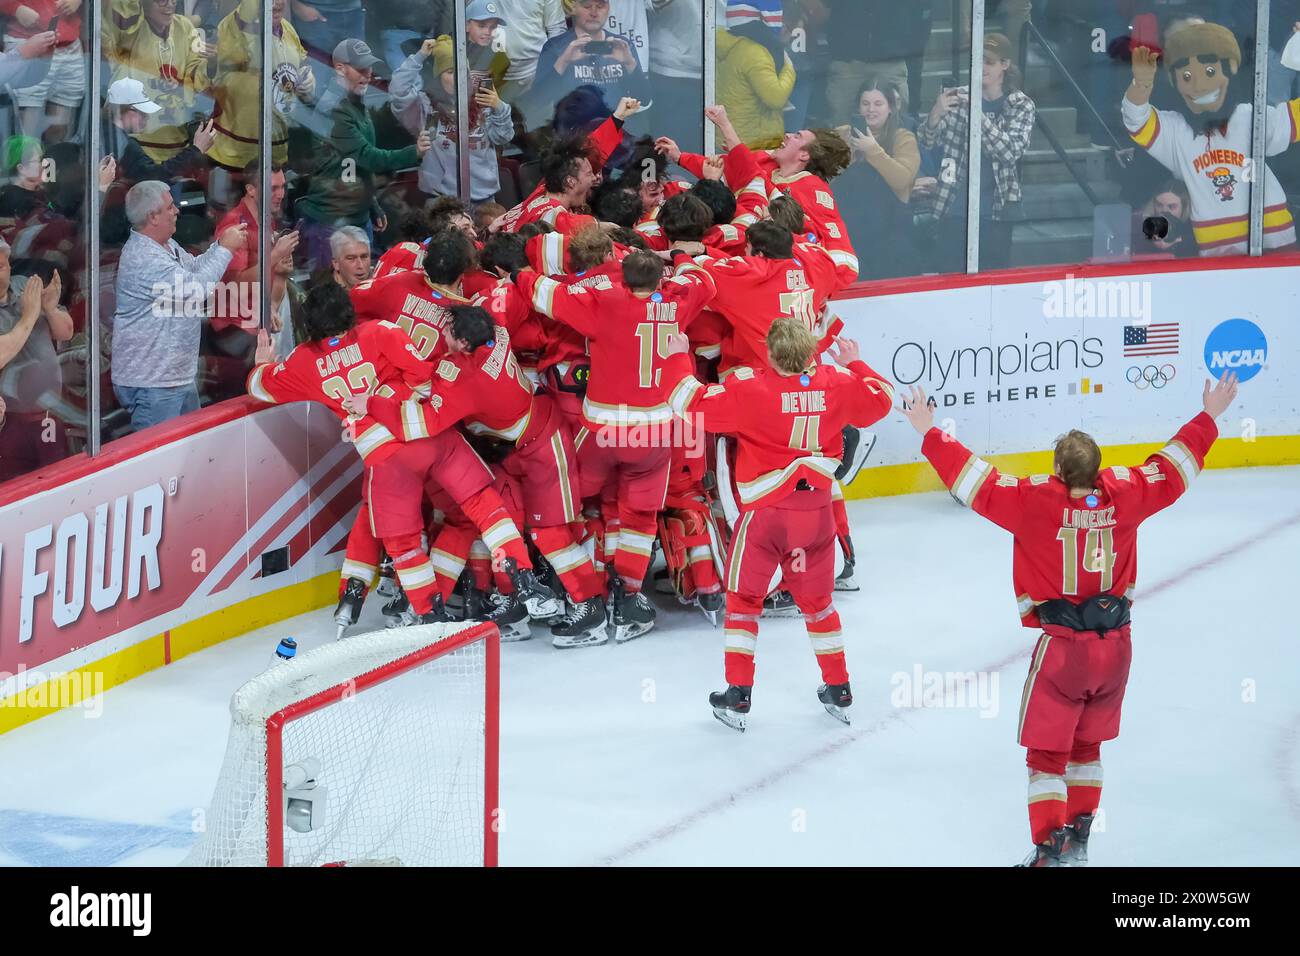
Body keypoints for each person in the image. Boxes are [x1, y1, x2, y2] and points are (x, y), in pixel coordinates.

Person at [899, 371, 1240, 866]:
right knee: (1088, 746)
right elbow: (1173, 469)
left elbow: (974, 480)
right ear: (1098, 469)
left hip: (1063, 650)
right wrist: (1208, 416)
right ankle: (1079, 838)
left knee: (1045, 755)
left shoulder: (1036, 501)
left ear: (1058, 469)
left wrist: (930, 430)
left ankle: (1048, 848)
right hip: (1117, 647)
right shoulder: (1125, 491)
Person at [248, 281, 560, 626]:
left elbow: (261, 387)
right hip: (428, 437)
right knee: (482, 502)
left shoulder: (303, 361)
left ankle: (428, 614)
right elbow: (425, 380)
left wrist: (262, 363)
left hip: (385, 458)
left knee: (403, 543)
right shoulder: (380, 331)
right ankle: (522, 574)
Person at [658, 318, 894, 730]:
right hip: (817, 515)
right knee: (819, 605)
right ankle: (839, 686)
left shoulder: (751, 389)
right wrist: (857, 364)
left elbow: (686, 401)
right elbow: (882, 399)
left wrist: (679, 355)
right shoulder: (836, 383)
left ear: (770, 355)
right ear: (810, 353)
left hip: (766, 517)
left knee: (744, 602)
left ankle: (738, 695)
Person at [516, 248, 717, 642]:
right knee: (639, 518)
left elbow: (545, 295)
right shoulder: (677, 301)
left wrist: (519, 273)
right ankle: (627, 598)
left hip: (603, 431)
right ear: (660, 278)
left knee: (579, 503)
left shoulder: (605, 302)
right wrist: (683, 257)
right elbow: (705, 281)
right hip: (655, 434)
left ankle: (585, 589)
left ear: (623, 279)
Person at [1124, 23, 1300, 257]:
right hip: (1216, 254)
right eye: (1186, 76)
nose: (1198, 86)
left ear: (1231, 69)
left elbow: (1294, 119)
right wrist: (1141, 85)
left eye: (1210, 72)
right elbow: (1136, 121)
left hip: (1272, 240)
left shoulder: (1250, 116)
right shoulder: (1176, 131)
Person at [110, 181, 247, 432]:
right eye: (170, 206)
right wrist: (226, 250)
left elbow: (193, 267)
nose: (177, 211)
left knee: (186, 457)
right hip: (153, 383)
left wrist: (220, 245)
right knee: (159, 466)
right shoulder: (144, 258)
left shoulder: (165, 245)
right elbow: (195, 290)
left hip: (175, 377)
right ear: (153, 216)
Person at [296, 38, 431, 273]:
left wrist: (372, 203)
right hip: (332, 220)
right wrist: (414, 152)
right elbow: (368, 157)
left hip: (355, 214)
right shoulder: (335, 109)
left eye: (369, 67)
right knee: (334, 290)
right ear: (340, 68)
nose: (368, 74)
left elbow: (354, 165)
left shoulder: (354, 102)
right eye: (360, 68)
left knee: (362, 286)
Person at [917, 33, 1035, 272]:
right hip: (954, 207)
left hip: (997, 211)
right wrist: (935, 115)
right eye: (977, 60)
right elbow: (928, 142)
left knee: (994, 281)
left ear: (1005, 65)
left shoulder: (1020, 105)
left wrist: (978, 115)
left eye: (989, 62)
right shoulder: (959, 96)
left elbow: (1010, 152)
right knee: (949, 279)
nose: (981, 67)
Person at [389, 21, 514, 203]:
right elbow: (397, 93)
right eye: (449, 71)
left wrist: (499, 107)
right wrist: (419, 57)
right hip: (442, 202)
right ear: (439, 77)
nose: (457, 78)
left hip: (484, 199)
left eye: (461, 71)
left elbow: (503, 137)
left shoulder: (482, 99)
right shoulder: (424, 105)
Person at [208, 164, 299, 400]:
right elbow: (235, 283)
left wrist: (279, 271)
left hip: (258, 321)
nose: (281, 194)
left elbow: (265, 276)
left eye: (283, 187)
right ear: (251, 189)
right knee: (246, 400)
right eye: (273, 188)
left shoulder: (266, 219)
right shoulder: (234, 225)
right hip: (235, 332)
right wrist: (276, 255)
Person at [103, 0, 214, 167]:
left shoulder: (184, 27)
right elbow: (124, 8)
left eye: (173, 0)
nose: (170, 5)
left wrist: (212, 65)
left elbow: (197, 77)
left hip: (176, 145)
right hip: (134, 146)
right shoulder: (129, 31)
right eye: (161, 1)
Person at [0, 239, 73, 480]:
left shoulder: (23, 286)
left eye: (3, 264)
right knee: (16, 489)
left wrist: (51, 309)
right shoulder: (27, 302)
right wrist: (30, 314)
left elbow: (66, 332)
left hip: (48, 413)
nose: (2, 269)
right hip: (8, 421)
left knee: (59, 482)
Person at [834, 81, 920, 276]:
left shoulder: (903, 137)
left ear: (890, 108)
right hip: (848, 238)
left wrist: (872, 150)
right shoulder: (843, 134)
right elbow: (821, 180)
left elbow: (902, 179)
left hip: (890, 240)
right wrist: (847, 155)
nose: (870, 110)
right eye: (865, 103)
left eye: (878, 104)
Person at [534, 0, 648, 118]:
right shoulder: (555, 47)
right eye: (587, 6)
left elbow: (643, 99)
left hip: (617, 128)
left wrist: (630, 64)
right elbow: (538, 100)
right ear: (573, 8)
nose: (594, 13)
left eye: (600, 6)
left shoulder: (622, 46)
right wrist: (563, 61)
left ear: (608, 8)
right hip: (572, 131)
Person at [1, 0, 83, 142]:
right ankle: (26, 164)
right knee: (26, 132)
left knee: (60, 129)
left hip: (69, 41)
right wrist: (15, 8)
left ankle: (51, 163)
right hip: (26, 40)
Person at [714, 10, 795, 148]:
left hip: (726, 136)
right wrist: (789, 67)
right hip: (753, 143)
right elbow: (776, 98)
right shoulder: (756, 53)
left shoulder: (722, 41)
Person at [1131, 179, 1198, 258]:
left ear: (1184, 207)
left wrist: (1180, 242)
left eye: (1171, 206)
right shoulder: (1138, 223)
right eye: (1159, 205)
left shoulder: (1194, 230)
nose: (1164, 210)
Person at [326, 225, 373, 289]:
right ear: (336, 263)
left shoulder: (383, 284)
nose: (360, 265)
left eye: (364, 257)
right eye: (351, 258)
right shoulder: (320, 296)